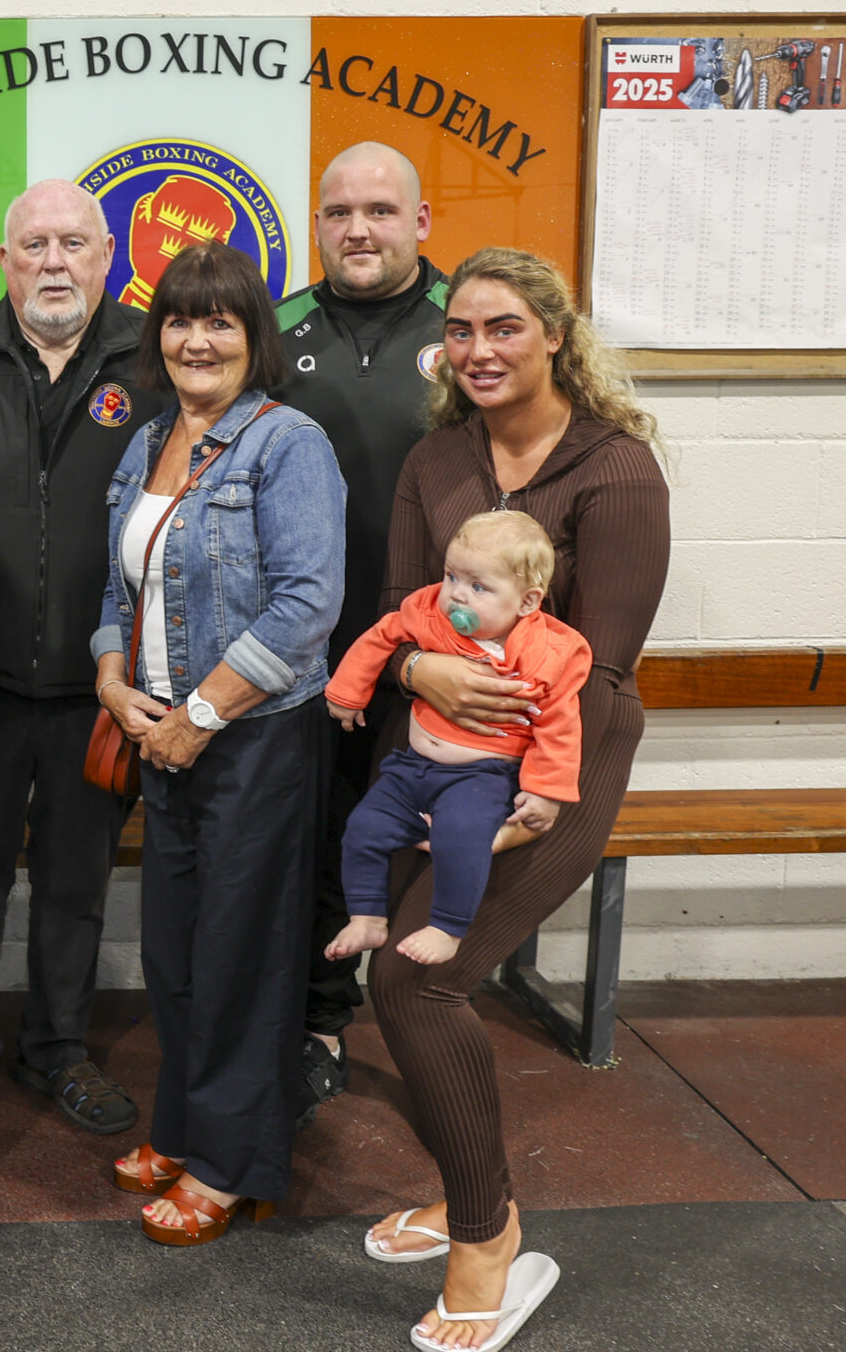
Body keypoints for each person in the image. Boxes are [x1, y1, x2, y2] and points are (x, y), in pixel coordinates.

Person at [361, 247, 668, 1351]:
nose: (477, 349)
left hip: (553, 767)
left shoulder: (613, 468)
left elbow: (606, 661)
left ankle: (484, 1237)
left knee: (414, 979)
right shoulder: (435, 455)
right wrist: (412, 671)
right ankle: (463, 1189)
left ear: (551, 334)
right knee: (399, 974)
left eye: (500, 328)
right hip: (431, 756)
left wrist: (461, 685)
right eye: (459, 330)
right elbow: (400, 606)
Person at [93, 241, 345, 1245]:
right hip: (157, 735)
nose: (195, 339)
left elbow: (304, 606)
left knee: (241, 957)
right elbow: (113, 584)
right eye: (179, 320)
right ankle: (185, 1128)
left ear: (253, 338)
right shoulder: (150, 436)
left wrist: (199, 717)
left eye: (220, 322)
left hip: (249, 744)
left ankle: (234, 1165)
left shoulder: (288, 445)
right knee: (176, 953)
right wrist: (111, 678)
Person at [0, 179, 168, 1140]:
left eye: (74, 243)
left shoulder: (153, 358)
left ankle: (60, 1049)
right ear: (5, 262)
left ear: (108, 258)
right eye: (34, 245)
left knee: (75, 884)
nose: (54, 262)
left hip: (98, 688)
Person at [273, 141, 451, 1125]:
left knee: (412, 845)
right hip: (306, 652)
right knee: (319, 844)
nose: (356, 229)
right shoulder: (277, 328)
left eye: (379, 211)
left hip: (435, 660)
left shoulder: (464, 327)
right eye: (337, 212)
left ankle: (431, 1029)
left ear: (418, 222)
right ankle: (316, 1020)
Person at [325, 510, 590, 965]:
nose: (456, 595)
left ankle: (447, 927)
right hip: (409, 769)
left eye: (478, 586)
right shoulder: (429, 611)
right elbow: (380, 637)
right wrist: (348, 692)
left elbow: (560, 726)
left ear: (528, 602)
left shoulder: (548, 652)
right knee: (363, 829)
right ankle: (367, 917)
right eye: (451, 577)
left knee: (461, 838)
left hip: (483, 776)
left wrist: (546, 792)